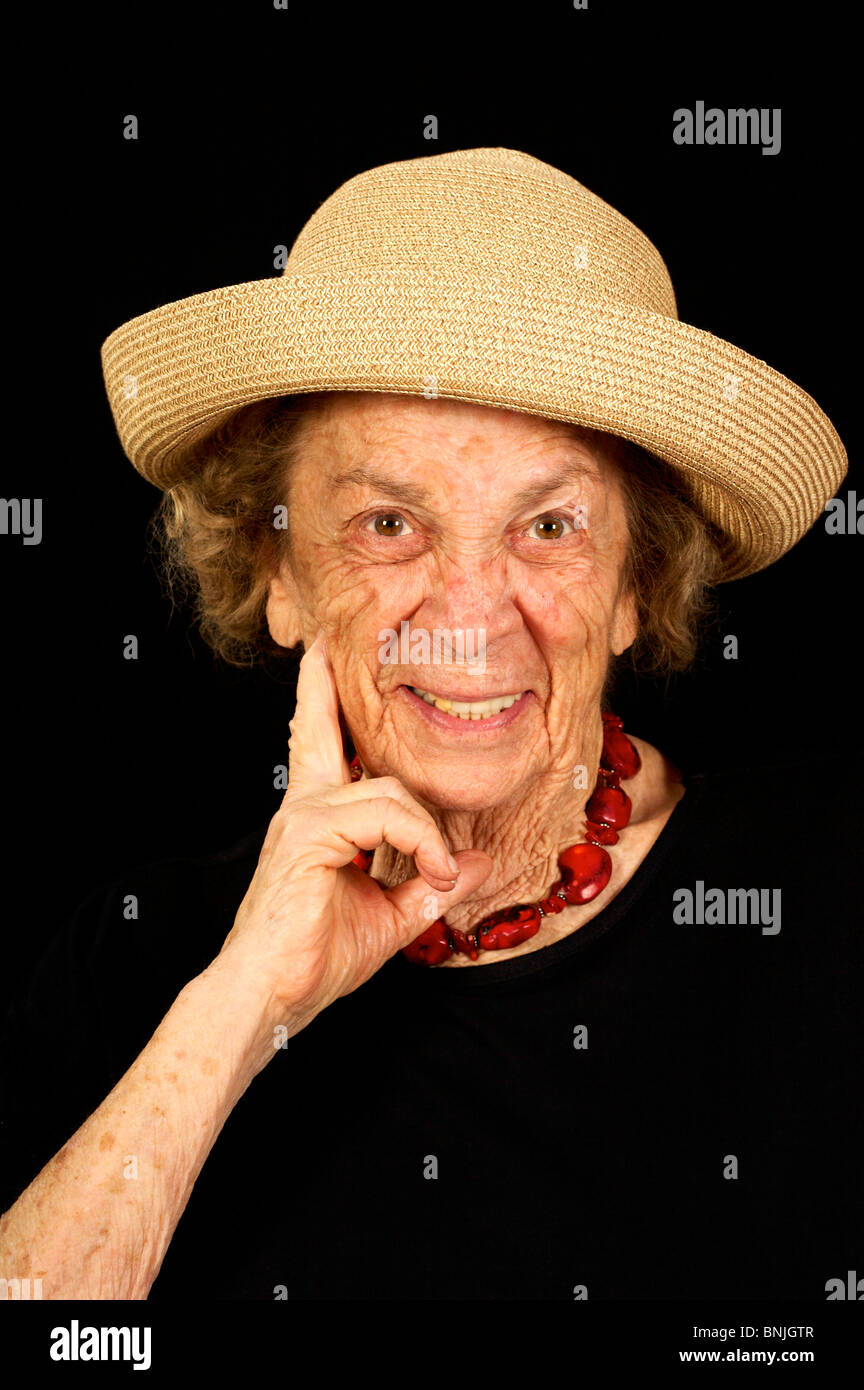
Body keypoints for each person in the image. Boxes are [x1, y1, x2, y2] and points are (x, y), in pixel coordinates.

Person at [0, 148, 859, 1301]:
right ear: (279, 570)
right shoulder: (136, 964)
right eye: (390, 521)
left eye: (549, 527)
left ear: (634, 585)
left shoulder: (832, 894)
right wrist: (245, 1002)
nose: (466, 615)